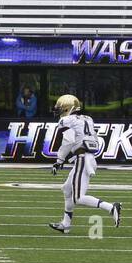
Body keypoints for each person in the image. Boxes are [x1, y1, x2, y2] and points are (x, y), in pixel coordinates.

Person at [48, 94, 121, 234]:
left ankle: (111, 207)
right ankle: (66, 224)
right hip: (86, 158)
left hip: (82, 159)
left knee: (78, 197)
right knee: (67, 189)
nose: (58, 111)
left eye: (60, 108)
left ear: (67, 108)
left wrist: (59, 160)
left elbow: (68, 141)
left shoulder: (67, 120)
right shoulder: (87, 119)